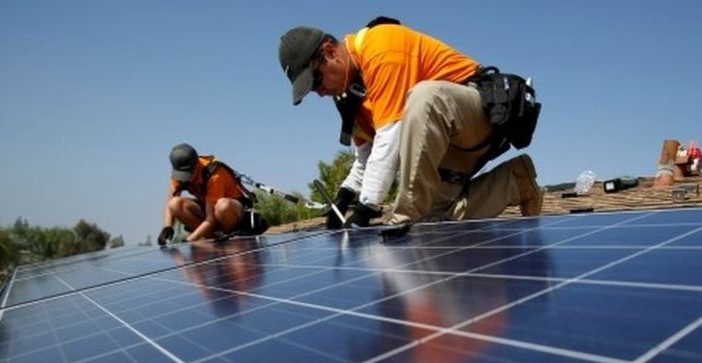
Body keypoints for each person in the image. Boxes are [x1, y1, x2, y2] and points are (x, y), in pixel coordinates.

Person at [278, 18, 543, 229]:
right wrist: (346, 194)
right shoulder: (349, 95)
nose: (319, 93)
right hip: (442, 145)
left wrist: (366, 207)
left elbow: (390, 138)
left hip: (477, 114)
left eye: (316, 81)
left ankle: (406, 213)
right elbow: (366, 157)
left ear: (330, 52)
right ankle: (514, 182)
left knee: (424, 97)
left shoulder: (380, 46)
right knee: (429, 228)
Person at [157, 143, 267, 245]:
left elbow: (210, 219)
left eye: (188, 174)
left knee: (223, 206)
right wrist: (167, 227)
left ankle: (228, 236)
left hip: (231, 213)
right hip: (208, 210)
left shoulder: (214, 174)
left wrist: (189, 240)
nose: (186, 178)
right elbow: (170, 203)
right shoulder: (179, 174)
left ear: (196, 165)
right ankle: (212, 239)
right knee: (175, 204)